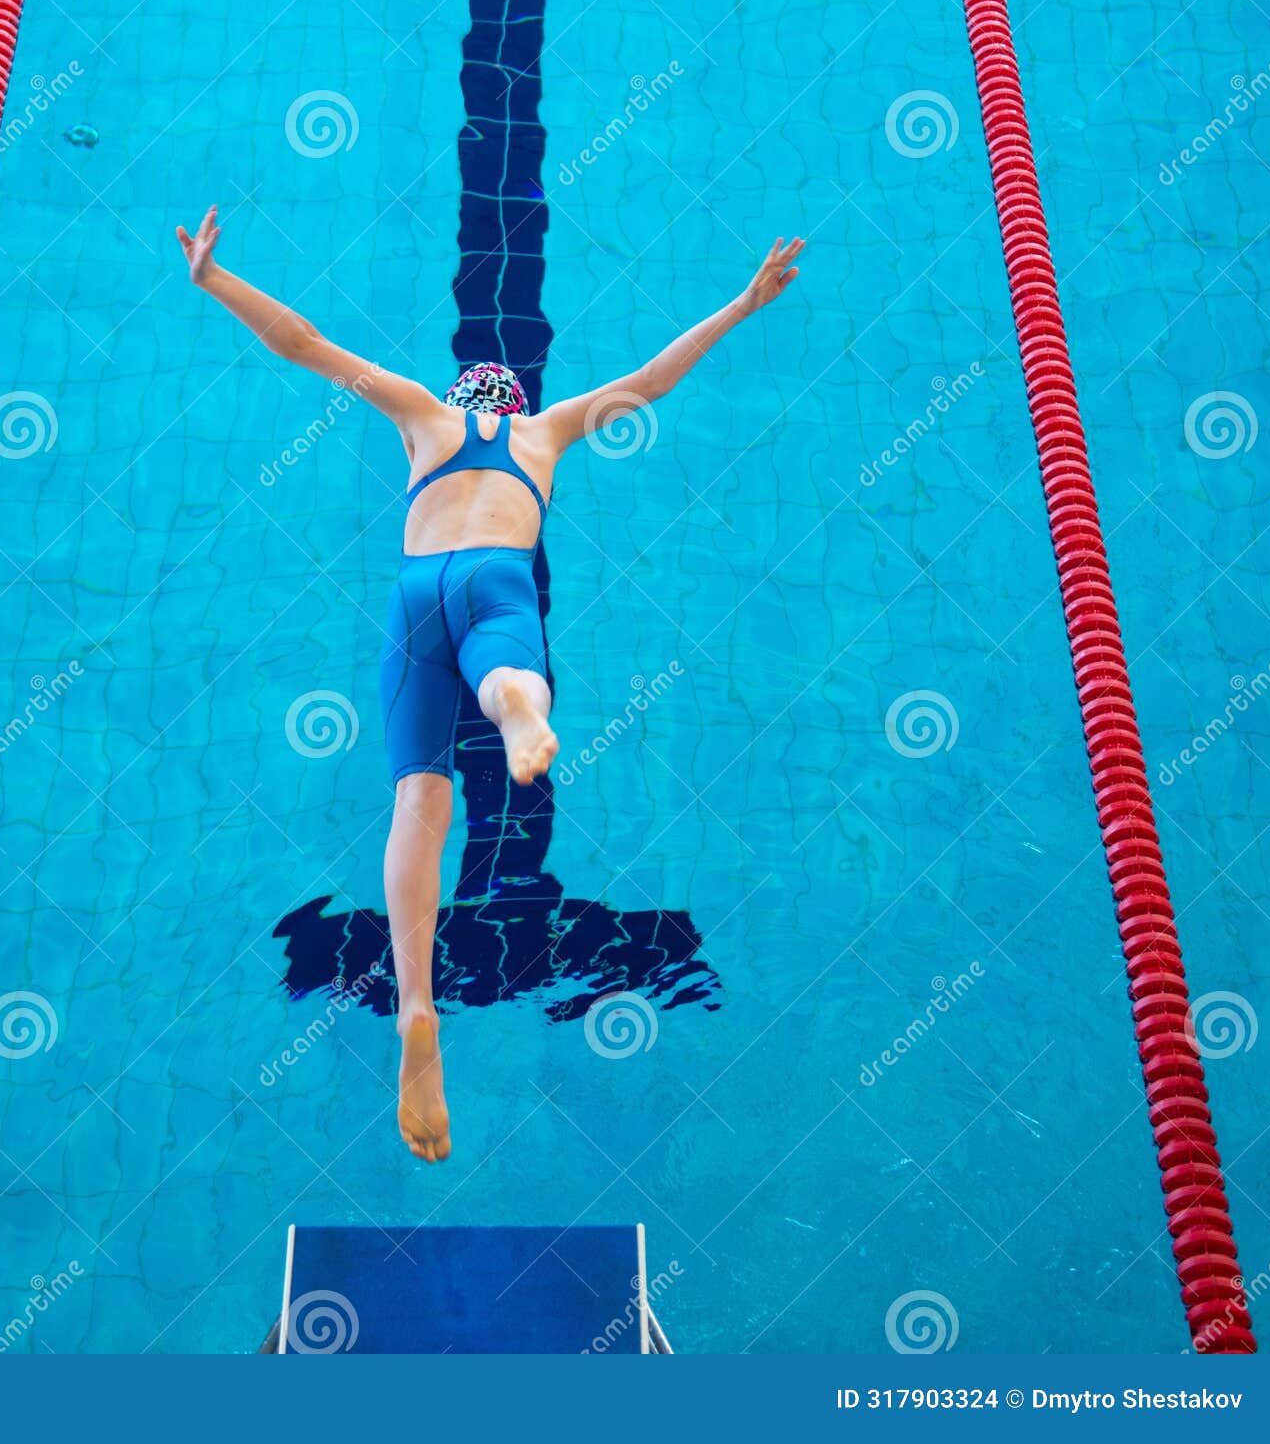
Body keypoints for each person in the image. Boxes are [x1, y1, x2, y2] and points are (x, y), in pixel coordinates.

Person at [177, 205, 806, 1162]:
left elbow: (304, 342)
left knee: (418, 802)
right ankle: (517, 712)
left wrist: (215, 279)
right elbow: (652, 380)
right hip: (497, 576)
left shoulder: (421, 416)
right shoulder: (542, 433)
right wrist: (743, 304)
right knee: (509, 670)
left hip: (415, 592)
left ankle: (415, 1007)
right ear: (511, 410)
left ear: (457, 402)